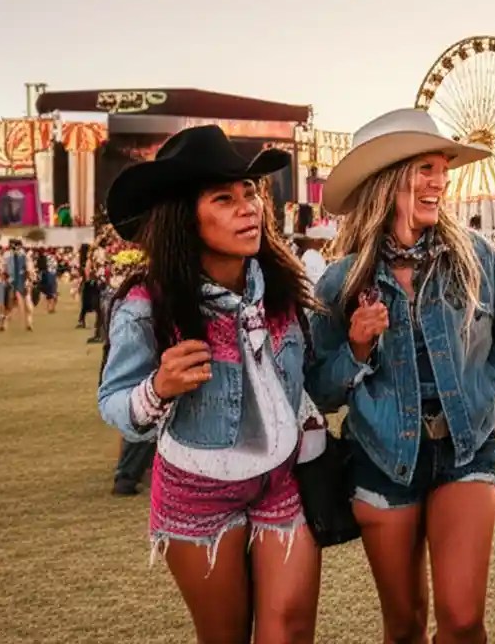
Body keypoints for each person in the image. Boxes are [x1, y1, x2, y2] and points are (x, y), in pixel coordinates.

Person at [306, 108, 495, 644]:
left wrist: (483, 385)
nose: (440, 182)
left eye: (442, 169)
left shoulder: (475, 256)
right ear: (388, 180)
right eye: (425, 168)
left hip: (466, 449)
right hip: (382, 459)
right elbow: (318, 389)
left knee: (462, 620)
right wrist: (358, 347)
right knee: (404, 626)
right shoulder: (341, 281)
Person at [97, 125, 322, 643]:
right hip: (196, 493)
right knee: (224, 636)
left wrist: (355, 349)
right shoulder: (146, 305)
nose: (248, 209)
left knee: (288, 630)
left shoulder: (284, 292)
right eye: (225, 198)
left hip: (281, 480)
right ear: (185, 219)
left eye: (250, 195)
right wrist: (159, 387)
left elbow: (319, 385)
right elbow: (114, 404)